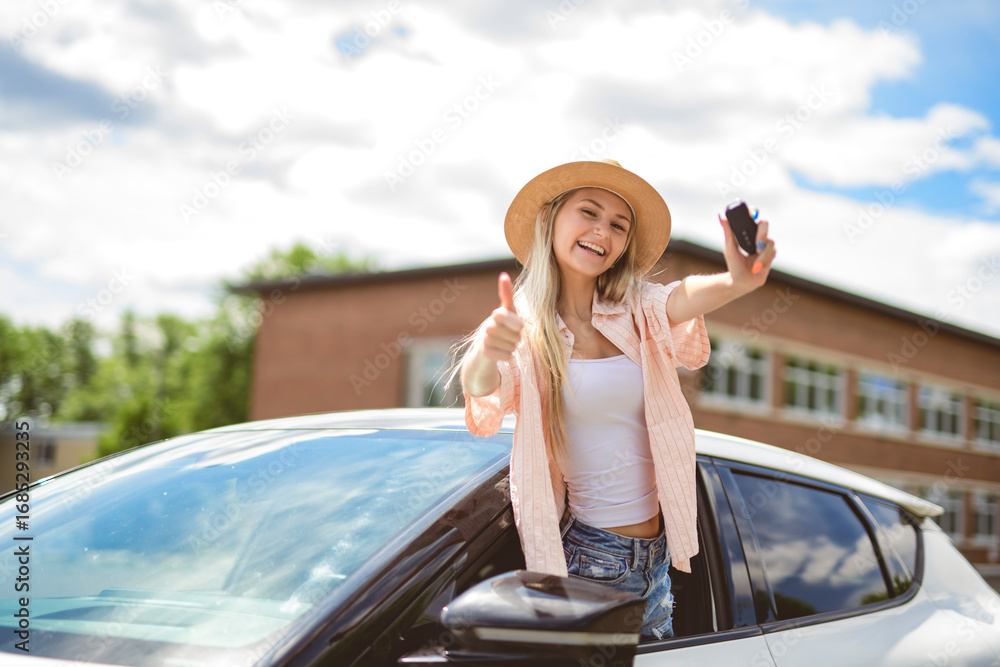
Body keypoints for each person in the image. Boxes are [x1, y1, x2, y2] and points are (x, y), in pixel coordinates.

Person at [458, 159, 776, 641]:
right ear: (550, 219)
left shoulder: (634, 309)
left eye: (618, 224)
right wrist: (487, 351)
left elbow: (679, 296)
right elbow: (480, 391)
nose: (602, 231)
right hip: (591, 562)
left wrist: (737, 281)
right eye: (589, 212)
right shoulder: (519, 328)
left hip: (657, 563)